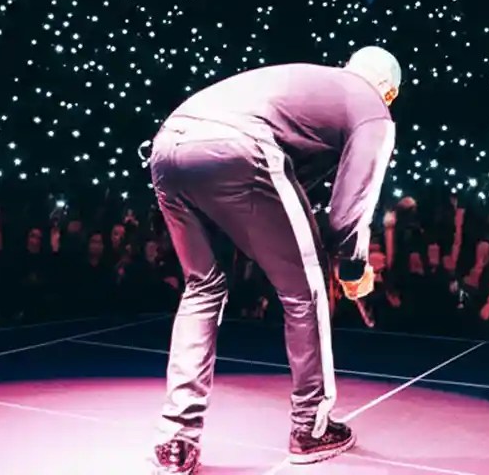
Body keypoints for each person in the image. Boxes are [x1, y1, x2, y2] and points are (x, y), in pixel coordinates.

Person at [145, 47, 401, 474]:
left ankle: (176, 439)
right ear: (389, 92)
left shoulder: (313, 84)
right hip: (241, 145)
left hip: (168, 145)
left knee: (202, 287)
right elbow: (351, 205)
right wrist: (353, 266)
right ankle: (311, 429)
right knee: (307, 288)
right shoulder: (372, 107)